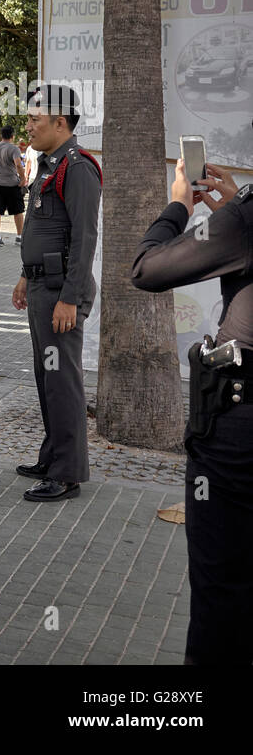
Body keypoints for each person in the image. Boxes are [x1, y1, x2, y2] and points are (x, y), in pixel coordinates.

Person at [131, 159, 253, 665]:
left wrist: (181, 202)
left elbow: (148, 268)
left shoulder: (246, 221)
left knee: (222, 598)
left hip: (238, 434)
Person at [11, 84, 100, 503]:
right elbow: (39, 228)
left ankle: (67, 473)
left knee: (62, 382)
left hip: (62, 291)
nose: (27, 125)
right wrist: (25, 276)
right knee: (47, 377)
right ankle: (52, 456)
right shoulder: (49, 164)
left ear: (60, 122)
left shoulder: (77, 167)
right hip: (42, 286)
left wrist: (69, 297)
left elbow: (84, 238)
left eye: (34, 119)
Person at [0, 125, 25, 247]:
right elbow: (18, 165)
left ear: (1, 135)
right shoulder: (14, 149)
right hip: (12, 183)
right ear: (12, 136)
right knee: (18, 211)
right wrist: (23, 178)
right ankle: (19, 237)